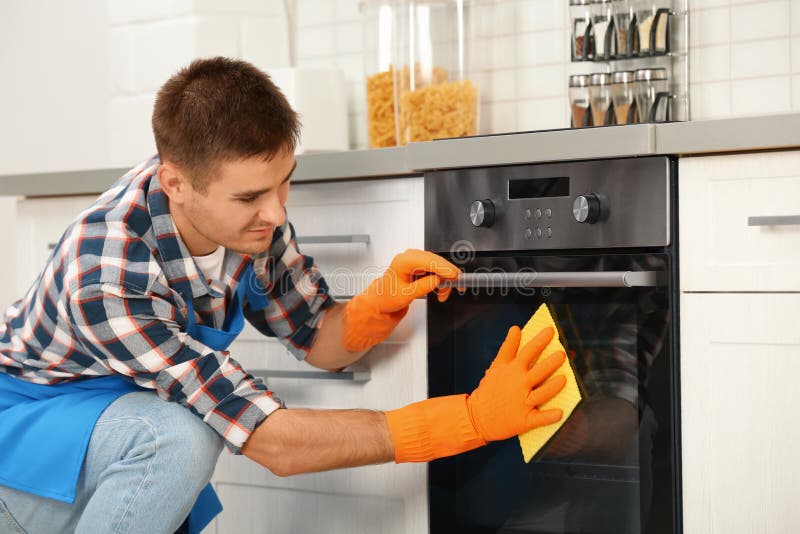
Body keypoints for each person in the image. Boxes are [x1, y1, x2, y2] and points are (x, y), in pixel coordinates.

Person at [0, 57, 567, 533]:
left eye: (284, 181)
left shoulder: (248, 221)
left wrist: (379, 302)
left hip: (114, 425)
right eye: (250, 197)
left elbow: (319, 337)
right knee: (176, 438)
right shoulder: (108, 272)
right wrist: (468, 419)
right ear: (176, 183)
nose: (275, 213)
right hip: (26, 452)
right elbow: (273, 442)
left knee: (173, 432)